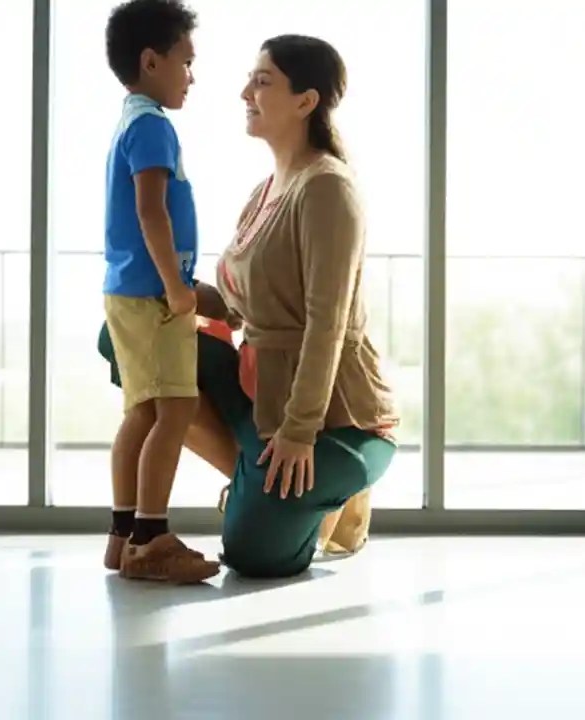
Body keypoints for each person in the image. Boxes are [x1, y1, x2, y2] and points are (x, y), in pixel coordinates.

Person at [100, 34, 399, 578]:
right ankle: (255, 478)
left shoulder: (328, 188)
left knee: (253, 556)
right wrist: (169, 292)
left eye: (262, 82)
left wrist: (299, 431)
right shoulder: (262, 193)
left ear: (306, 101)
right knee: (128, 335)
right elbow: (237, 310)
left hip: (335, 422)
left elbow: (327, 324)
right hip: (262, 398)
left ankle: (314, 495)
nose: (245, 93)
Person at [99, 0, 218, 583]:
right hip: (153, 296)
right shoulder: (151, 126)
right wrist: (178, 288)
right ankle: (151, 539)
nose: (191, 77)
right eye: (186, 62)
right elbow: (152, 211)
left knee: (144, 412)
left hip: (131, 292)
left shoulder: (133, 120)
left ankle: (123, 535)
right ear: (151, 62)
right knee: (176, 410)